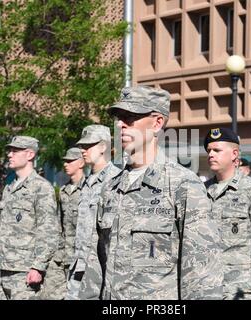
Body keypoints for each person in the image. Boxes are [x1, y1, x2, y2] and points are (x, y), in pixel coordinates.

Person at [83, 86, 223, 300]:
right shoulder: (110, 188)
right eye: (119, 118)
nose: (120, 125)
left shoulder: (182, 185)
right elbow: (95, 264)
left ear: (157, 123)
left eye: (130, 118)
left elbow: (202, 273)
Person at [204, 127, 251, 300]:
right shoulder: (201, 192)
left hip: (240, 290)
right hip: (206, 289)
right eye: (209, 150)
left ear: (234, 154)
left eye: (217, 150)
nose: (211, 154)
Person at [0, 136, 60, 300]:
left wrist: (38, 267)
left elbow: (49, 231)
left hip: (24, 270)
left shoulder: (41, 188)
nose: (9, 154)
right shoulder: (9, 188)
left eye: (15, 151)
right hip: (1, 267)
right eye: (9, 150)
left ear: (30, 154)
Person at [66, 125, 121, 300]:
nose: (83, 150)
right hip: (79, 267)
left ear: (103, 147)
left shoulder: (116, 180)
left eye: (88, 145)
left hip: (102, 271)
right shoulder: (86, 182)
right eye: (82, 146)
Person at [41, 148, 86, 300]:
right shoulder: (64, 190)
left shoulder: (89, 189)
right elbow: (59, 223)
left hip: (81, 257)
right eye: (65, 161)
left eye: (70, 161)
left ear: (81, 163)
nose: (66, 164)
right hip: (62, 256)